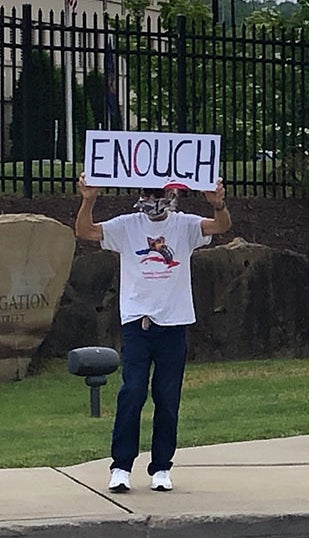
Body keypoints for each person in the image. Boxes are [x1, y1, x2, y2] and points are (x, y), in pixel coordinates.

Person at [75, 173, 231, 492]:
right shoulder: (128, 225)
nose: (155, 199)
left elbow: (220, 226)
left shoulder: (184, 224)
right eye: (150, 192)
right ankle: (121, 466)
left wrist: (218, 205)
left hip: (173, 324)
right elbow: (86, 231)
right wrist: (88, 199)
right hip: (137, 322)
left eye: (160, 192)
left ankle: (161, 467)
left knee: (167, 397)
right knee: (132, 392)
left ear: (172, 194)